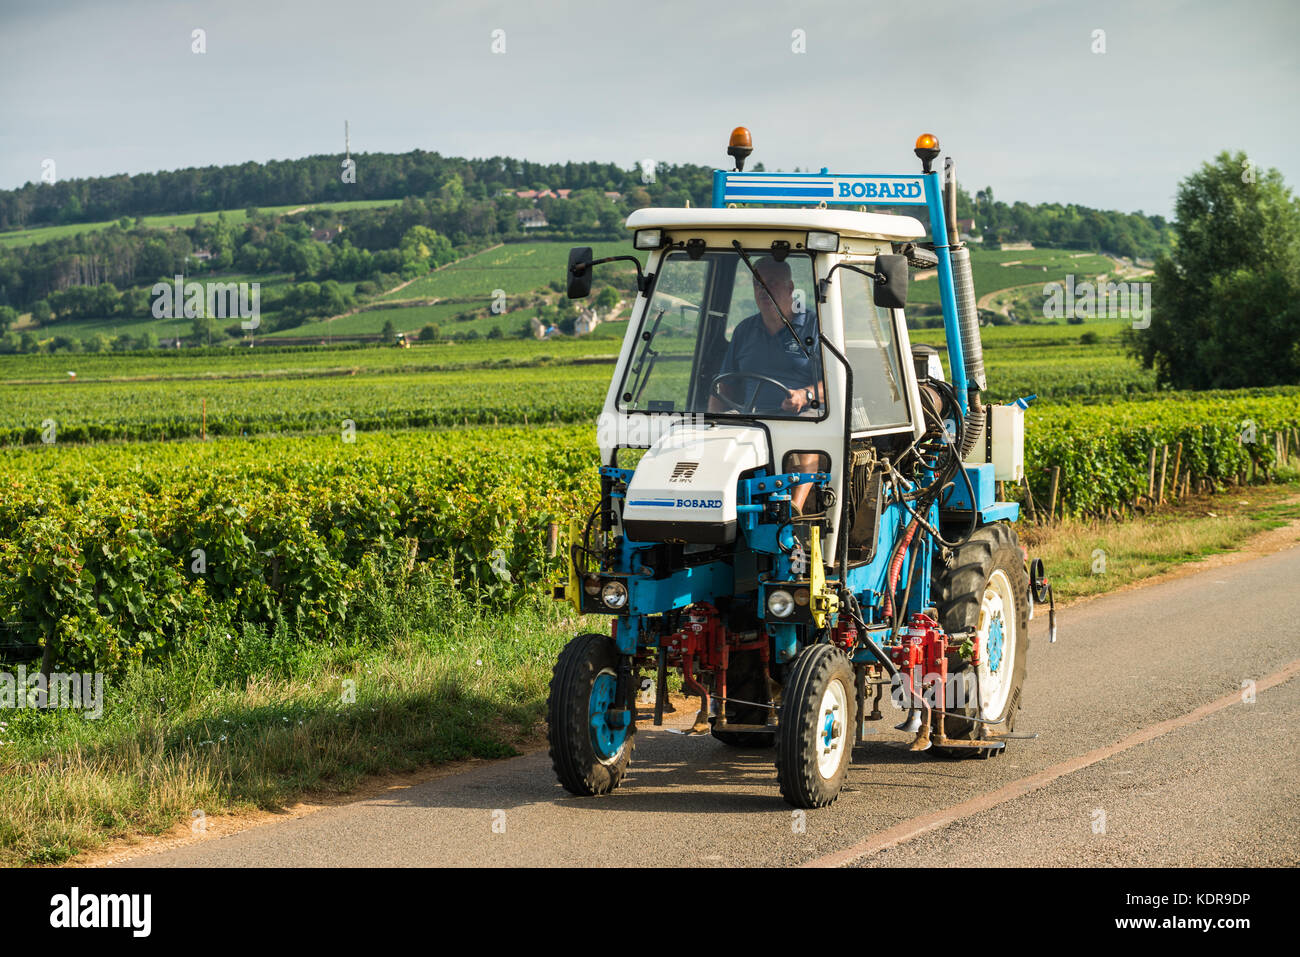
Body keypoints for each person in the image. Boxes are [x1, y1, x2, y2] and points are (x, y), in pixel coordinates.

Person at [709, 257, 824, 513]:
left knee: (805, 440)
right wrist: (709, 423)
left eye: (770, 283)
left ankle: (793, 512)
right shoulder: (744, 331)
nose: (763, 290)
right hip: (752, 415)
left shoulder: (815, 327)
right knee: (712, 441)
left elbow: (835, 380)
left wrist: (805, 395)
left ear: (790, 286)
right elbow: (724, 385)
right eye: (757, 284)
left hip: (801, 414)